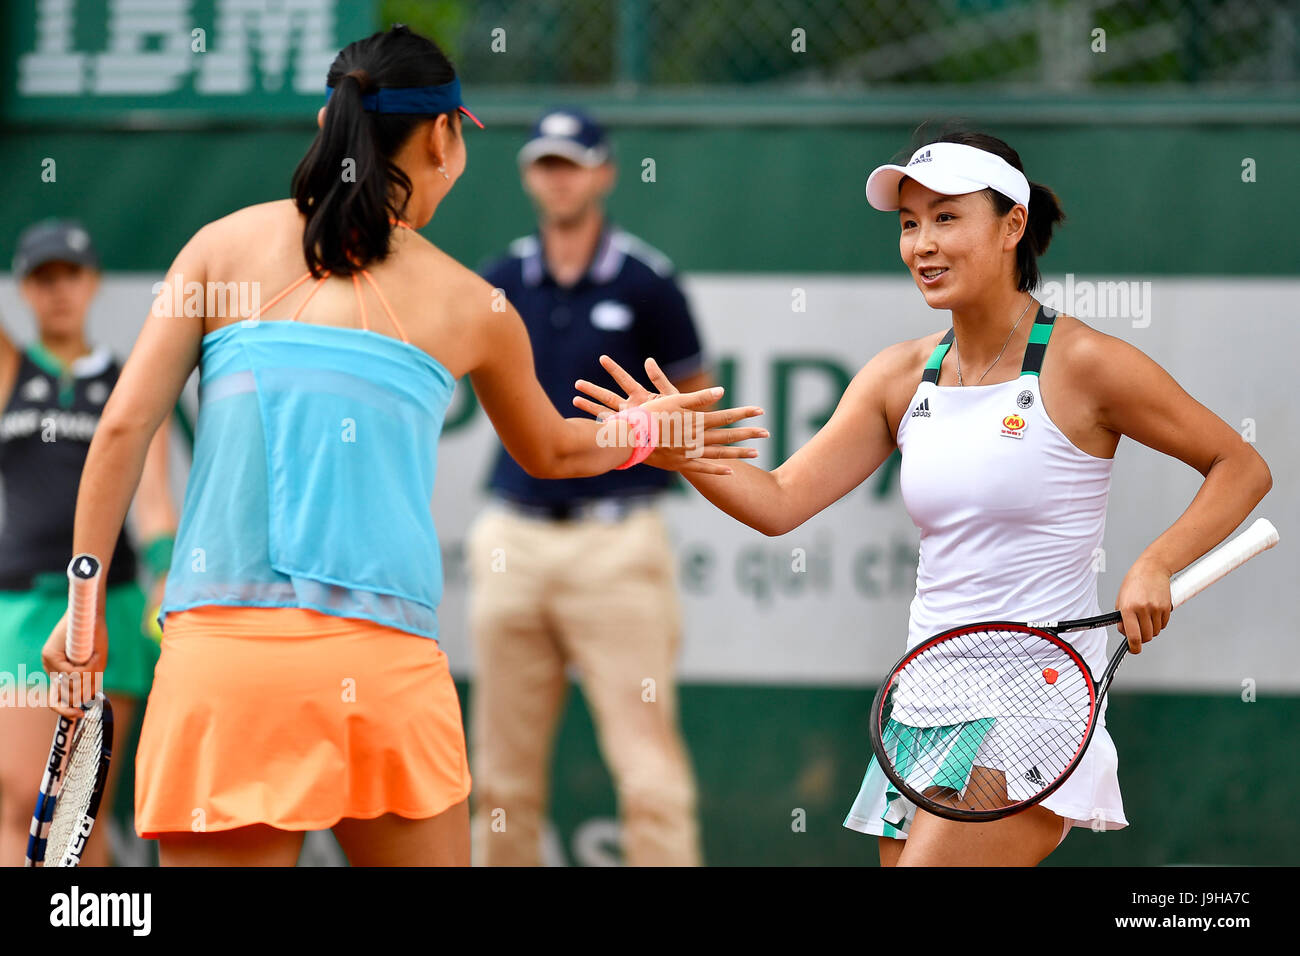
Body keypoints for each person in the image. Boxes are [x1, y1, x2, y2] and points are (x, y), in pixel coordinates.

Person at [39, 24, 763, 868]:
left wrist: (83, 620)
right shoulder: (472, 303)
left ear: (328, 121)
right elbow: (557, 451)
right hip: (383, 678)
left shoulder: (218, 249)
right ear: (446, 137)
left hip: (227, 677)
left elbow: (123, 428)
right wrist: (649, 433)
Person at [575, 129, 1273, 867]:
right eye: (909, 223)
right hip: (922, 700)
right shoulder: (899, 377)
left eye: (946, 217)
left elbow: (1239, 465)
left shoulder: (1088, 363)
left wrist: (1157, 562)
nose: (922, 244)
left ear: (1012, 226)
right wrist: (683, 453)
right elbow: (778, 501)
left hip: (1032, 705)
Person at [468, 108, 713, 866]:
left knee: (649, 776)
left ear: (605, 173)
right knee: (501, 783)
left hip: (618, 544)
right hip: (512, 539)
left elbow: (695, 413)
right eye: (546, 163)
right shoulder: (500, 279)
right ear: (528, 176)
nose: (559, 177)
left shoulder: (649, 284)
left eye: (574, 163)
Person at [0, 219, 177, 866]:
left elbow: (155, 501)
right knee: (22, 800)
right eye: (42, 278)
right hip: (22, 607)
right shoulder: (10, 367)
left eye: (70, 274)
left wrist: (164, 570)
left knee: (83, 807)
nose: (58, 291)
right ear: (23, 289)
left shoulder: (130, 384)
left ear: (93, 281)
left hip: (110, 608)